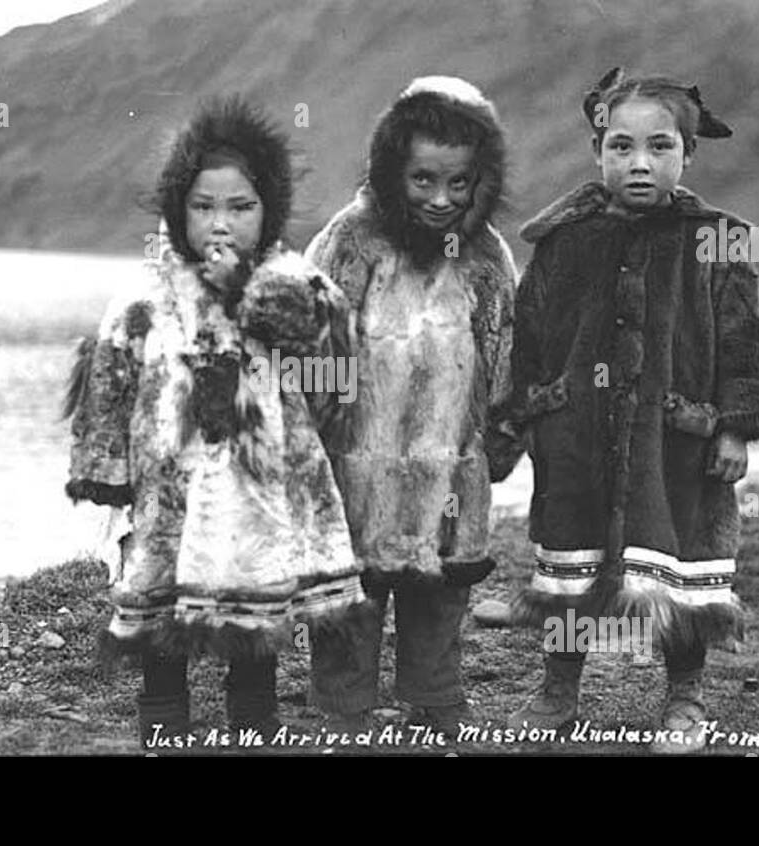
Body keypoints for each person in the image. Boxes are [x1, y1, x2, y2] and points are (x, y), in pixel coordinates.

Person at [63, 95, 366, 748]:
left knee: (253, 641)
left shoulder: (296, 282)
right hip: (168, 508)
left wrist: (243, 289)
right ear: (177, 209)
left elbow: (334, 361)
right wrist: (109, 486)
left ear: (270, 209)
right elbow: (107, 388)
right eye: (203, 207)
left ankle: (253, 735)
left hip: (260, 507)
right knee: (162, 643)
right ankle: (166, 736)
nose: (220, 225)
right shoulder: (143, 299)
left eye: (241, 207)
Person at [495, 68, 759, 754]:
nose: (639, 163)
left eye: (659, 146)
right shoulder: (563, 241)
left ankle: (684, 698)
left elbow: (741, 344)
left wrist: (737, 425)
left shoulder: (719, 241)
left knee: (682, 570)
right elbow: (529, 338)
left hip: (679, 441)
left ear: (687, 154)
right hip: (577, 437)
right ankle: (559, 689)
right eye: (621, 147)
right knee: (574, 569)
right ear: (598, 151)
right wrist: (522, 417)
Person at [305, 76, 522, 735]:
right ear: (391, 167)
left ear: (480, 180)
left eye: (459, 184)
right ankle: (345, 706)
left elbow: (507, 344)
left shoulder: (486, 253)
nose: (441, 198)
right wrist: (309, 442)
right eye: (422, 180)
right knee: (352, 597)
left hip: (453, 464)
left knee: (441, 592)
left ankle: (433, 694)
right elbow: (313, 341)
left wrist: (503, 438)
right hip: (356, 466)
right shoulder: (349, 241)